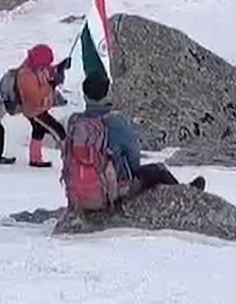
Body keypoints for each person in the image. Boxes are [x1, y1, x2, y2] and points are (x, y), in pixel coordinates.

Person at [65, 72, 204, 201]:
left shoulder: (74, 121)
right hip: (111, 191)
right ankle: (186, 196)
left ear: (84, 96)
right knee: (158, 169)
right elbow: (134, 157)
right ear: (108, 94)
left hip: (78, 193)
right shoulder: (116, 122)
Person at [14, 44, 71, 168]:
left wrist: (61, 66)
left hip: (40, 108)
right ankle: (70, 159)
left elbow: (49, 70)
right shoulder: (25, 75)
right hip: (34, 111)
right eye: (46, 63)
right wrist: (51, 85)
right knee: (58, 131)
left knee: (38, 131)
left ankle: (35, 159)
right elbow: (33, 96)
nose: (47, 66)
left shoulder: (37, 67)